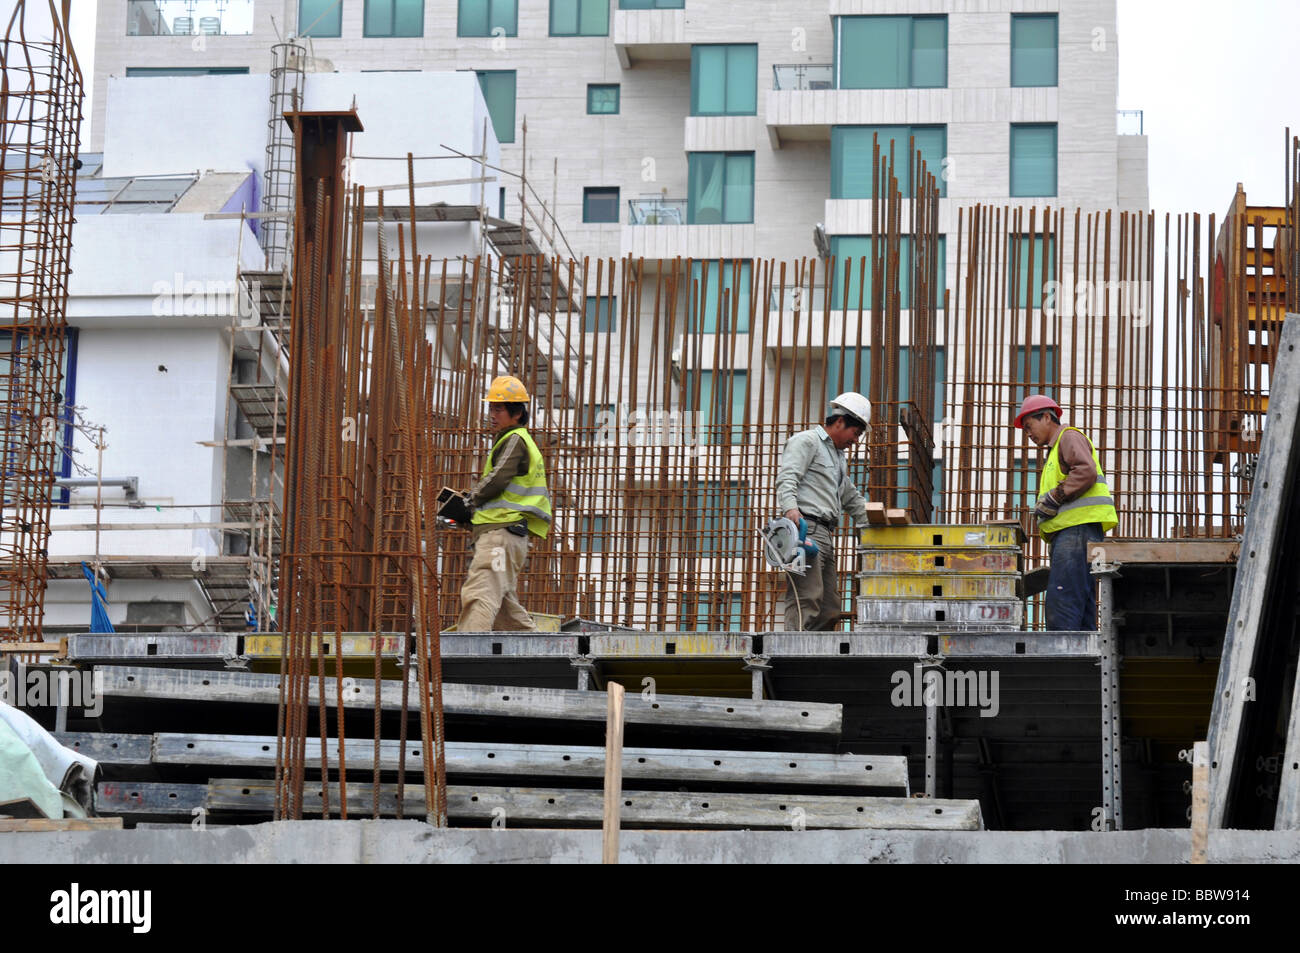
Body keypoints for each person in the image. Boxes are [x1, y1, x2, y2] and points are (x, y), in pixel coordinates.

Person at [455, 375, 552, 632]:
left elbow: (498, 478)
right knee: (505, 609)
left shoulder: (515, 439)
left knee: (481, 593)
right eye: (491, 408)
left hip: (500, 537)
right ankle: (538, 655)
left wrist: (470, 500)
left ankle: (466, 657)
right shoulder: (517, 440)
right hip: (507, 537)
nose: (492, 414)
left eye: (498, 408)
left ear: (517, 412)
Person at [1015, 394, 1118, 631]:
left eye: (1029, 426)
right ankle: (1085, 662)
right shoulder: (1055, 451)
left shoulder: (1068, 436)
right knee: (1081, 603)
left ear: (1046, 417)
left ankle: (1059, 661)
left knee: (1063, 601)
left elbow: (1085, 470)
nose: (1028, 434)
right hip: (1076, 533)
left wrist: (1054, 497)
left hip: (1076, 532)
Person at [774, 392, 872, 631]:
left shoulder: (838, 457)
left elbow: (849, 494)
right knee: (807, 597)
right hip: (805, 528)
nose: (856, 440)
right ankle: (794, 653)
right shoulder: (807, 441)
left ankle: (813, 658)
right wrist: (790, 510)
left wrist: (877, 521)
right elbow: (787, 478)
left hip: (825, 534)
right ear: (840, 422)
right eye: (856, 433)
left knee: (830, 607)